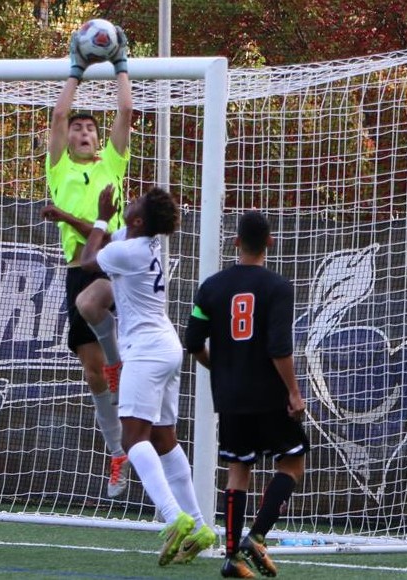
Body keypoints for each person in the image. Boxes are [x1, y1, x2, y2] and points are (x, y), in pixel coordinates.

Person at [80, 184, 217, 566]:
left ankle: (175, 517)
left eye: (136, 203)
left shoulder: (128, 249)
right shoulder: (141, 242)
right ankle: (202, 525)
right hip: (167, 346)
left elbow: (89, 257)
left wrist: (101, 214)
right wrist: (75, 217)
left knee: (131, 437)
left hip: (146, 351)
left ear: (138, 219)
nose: (132, 201)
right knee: (163, 439)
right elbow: (106, 240)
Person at [184, 211, 308, 579]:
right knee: (292, 461)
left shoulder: (210, 287)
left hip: (230, 397)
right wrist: (294, 392)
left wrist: (220, 367)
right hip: (268, 394)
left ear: (235, 243)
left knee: (239, 469)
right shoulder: (278, 287)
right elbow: (278, 349)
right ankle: (255, 538)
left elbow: (192, 343)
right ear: (269, 242)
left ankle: (232, 557)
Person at [39, 25, 131, 499]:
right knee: (95, 376)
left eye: (89, 128)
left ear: (99, 140)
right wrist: (75, 70)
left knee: (124, 363)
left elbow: (127, 110)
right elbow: (57, 113)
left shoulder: (112, 165)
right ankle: (117, 453)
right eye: (78, 127)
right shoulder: (59, 168)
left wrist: (121, 66)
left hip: (116, 268)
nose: (82, 131)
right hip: (78, 273)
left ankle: (123, 366)